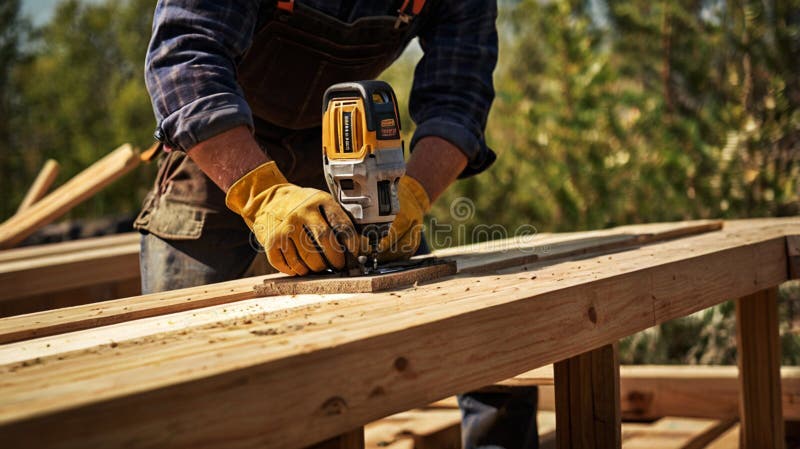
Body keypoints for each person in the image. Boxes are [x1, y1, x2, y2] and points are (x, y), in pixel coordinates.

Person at [136, 1, 538, 448]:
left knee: (484, 332)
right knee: (177, 376)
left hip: (348, 156)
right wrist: (261, 192)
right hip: (223, 150)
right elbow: (184, 58)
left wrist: (412, 194)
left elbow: (459, 97)